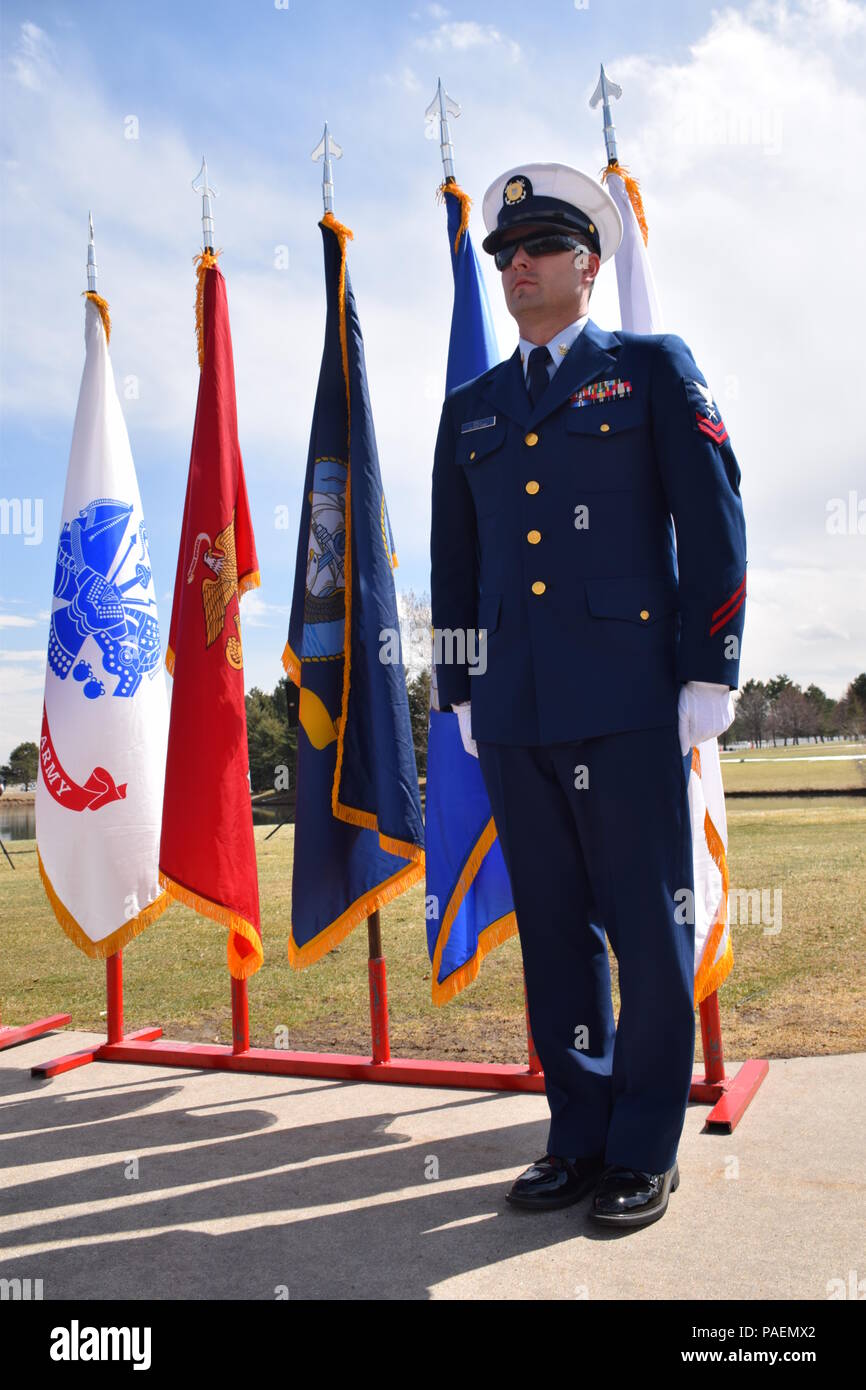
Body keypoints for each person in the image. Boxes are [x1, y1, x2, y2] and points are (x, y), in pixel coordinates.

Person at [430, 163, 747, 1228]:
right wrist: (461, 685)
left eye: (537, 250)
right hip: (513, 707)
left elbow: (709, 517)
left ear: (587, 265)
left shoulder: (647, 370)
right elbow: (455, 557)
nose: (516, 267)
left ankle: (640, 1144)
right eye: (503, 256)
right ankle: (573, 1134)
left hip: (625, 698)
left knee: (643, 927)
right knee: (554, 929)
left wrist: (709, 664)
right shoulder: (471, 408)